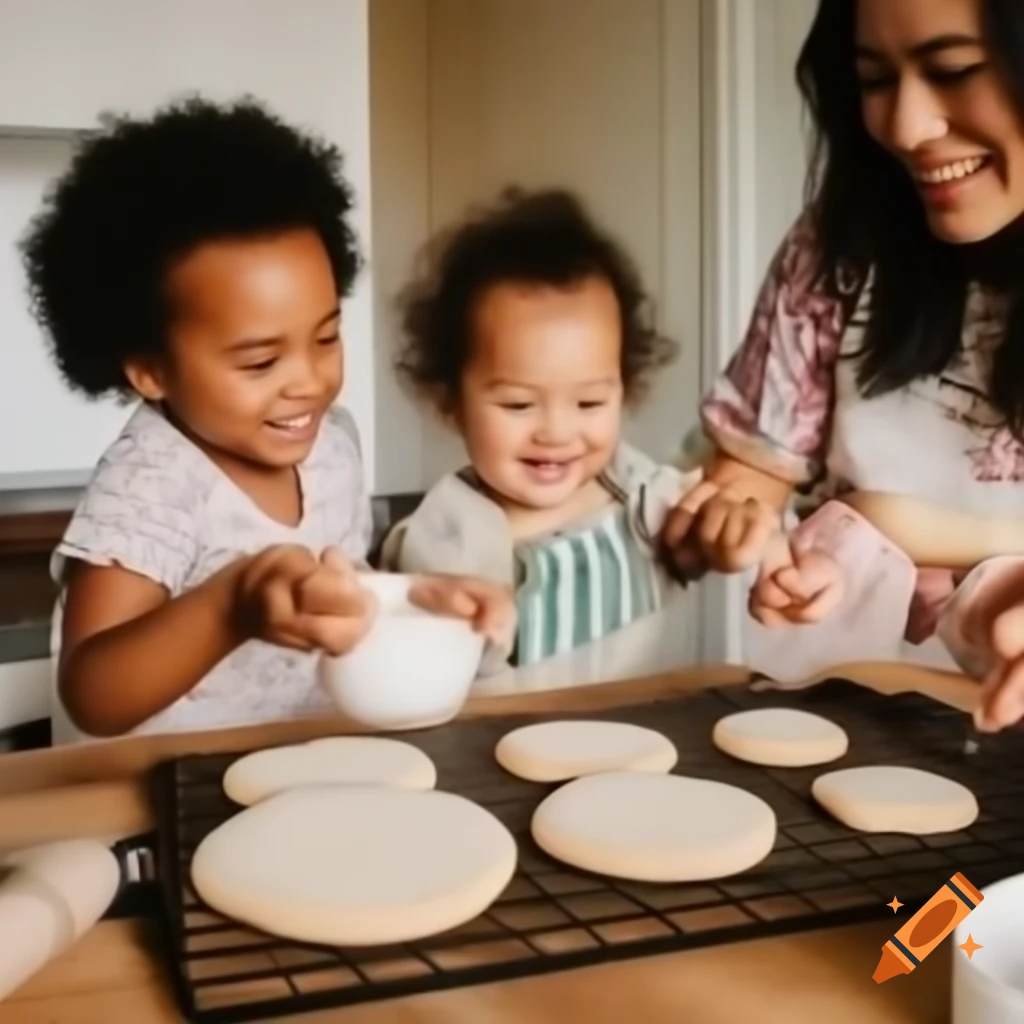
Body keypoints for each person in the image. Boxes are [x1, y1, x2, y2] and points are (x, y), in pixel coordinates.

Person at [22, 97, 511, 741]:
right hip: (175, 798)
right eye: (260, 363)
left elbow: (341, 590)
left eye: (327, 338)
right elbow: (93, 692)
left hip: (301, 771)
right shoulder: (152, 482)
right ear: (150, 370)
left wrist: (418, 602)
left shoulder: (332, 444)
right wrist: (233, 604)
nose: (308, 382)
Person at [662, 0, 1024, 731]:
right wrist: (743, 525)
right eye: (874, 79)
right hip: (841, 711)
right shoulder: (841, 243)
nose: (907, 127)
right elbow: (756, 469)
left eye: (954, 70)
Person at [380, 188, 843, 670]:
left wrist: (772, 552)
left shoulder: (642, 495)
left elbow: (722, 523)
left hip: (643, 737)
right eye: (519, 404)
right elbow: (413, 654)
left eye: (589, 402)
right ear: (450, 401)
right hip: (495, 742)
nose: (557, 432)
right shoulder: (442, 534)